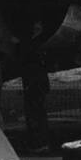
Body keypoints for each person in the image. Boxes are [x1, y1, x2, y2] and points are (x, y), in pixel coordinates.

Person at [20, 19, 52, 152]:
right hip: (36, 83)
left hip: (34, 83)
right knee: (38, 114)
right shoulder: (39, 43)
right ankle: (40, 142)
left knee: (36, 114)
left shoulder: (36, 44)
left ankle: (39, 142)